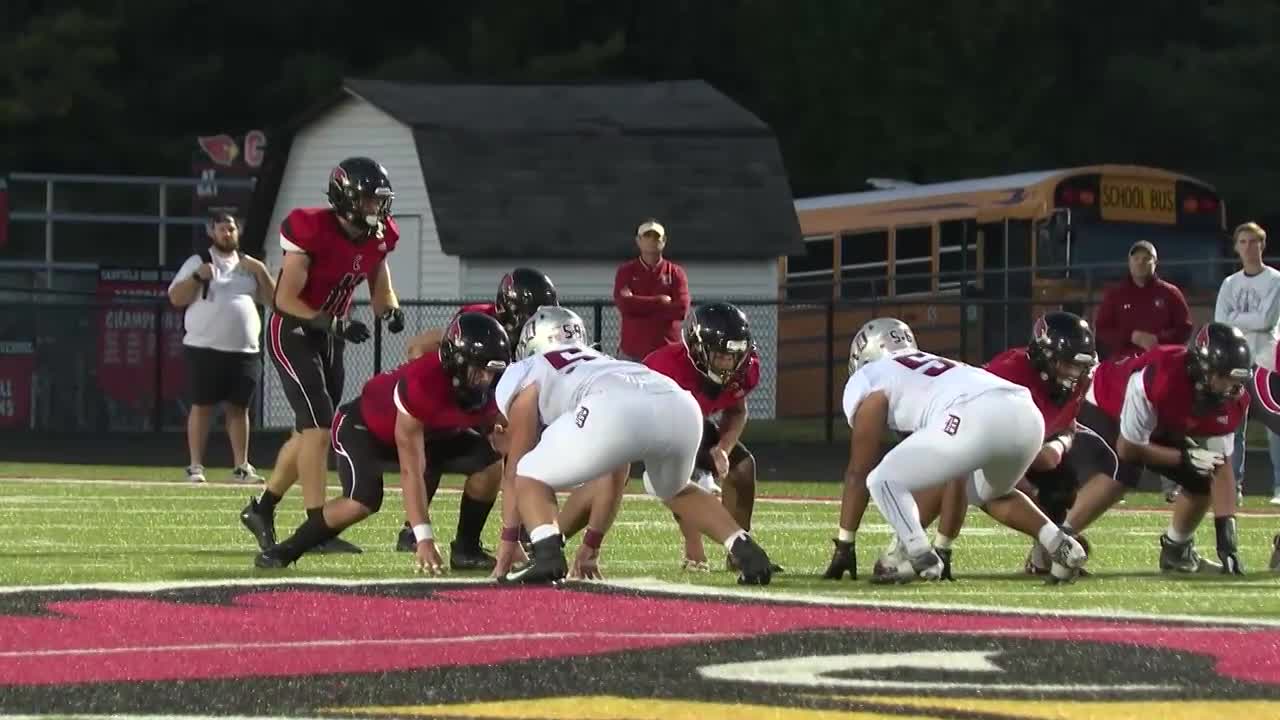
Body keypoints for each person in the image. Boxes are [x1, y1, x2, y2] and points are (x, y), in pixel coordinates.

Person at [492, 306, 775, 585]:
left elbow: (519, 457)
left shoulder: (525, 369)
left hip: (612, 408)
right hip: (681, 405)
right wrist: (592, 542)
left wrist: (509, 540)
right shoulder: (597, 359)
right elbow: (617, 469)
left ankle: (547, 555)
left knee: (528, 472)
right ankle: (746, 550)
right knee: (672, 488)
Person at [835, 318, 1087, 584]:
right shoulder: (934, 366)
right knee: (987, 493)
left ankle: (916, 555)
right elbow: (958, 477)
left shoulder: (870, 377)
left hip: (975, 413)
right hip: (1026, 415)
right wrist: (945, 543)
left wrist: (845, 543)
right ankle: (1061, 544)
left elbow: (858, 471)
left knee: (881, 479)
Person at [238, 157, 405, 556]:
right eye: (368, 201)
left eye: (379, 202)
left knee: (308, 431)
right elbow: (283, 299)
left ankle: (262, 508)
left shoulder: (378, 235)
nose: (375, 210)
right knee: (318, 430)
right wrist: (331, 323)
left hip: (330, 334)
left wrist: (390, 310)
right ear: (345, 199)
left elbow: (379, 281)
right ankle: (317, 526)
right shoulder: (310, 228)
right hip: (295, 328)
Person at [254, 313, 509, 569]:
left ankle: (467, 549)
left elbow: (512, 453)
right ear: (457, 361)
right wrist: (424, 538)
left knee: (489, 462)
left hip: (429, 433)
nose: (486, 380)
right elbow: (411, 471)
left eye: (493, 371)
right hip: (364, 429)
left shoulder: (493, 389)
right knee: (361, 502)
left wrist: (513, 537)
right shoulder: (423, 383)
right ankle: (285, 550)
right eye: (479, 370)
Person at [395, 267, 558, 567]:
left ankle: (476, 542)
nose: (537, 324)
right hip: (473, 398)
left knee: (507, 455)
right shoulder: (482, 324)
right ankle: (415, 528)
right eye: (531, 316)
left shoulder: (537, 336)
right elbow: (423, 348)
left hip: (498, 400)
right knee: (432, 447)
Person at [1061, 323, 1250, 574]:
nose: (1232, 388)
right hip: (1102, 403)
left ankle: (1176, 551)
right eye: (1226, 378)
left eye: (1237, 380)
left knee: (1205, 473)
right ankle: (1056, 543)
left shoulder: (1232, 400)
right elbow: (1129, 448)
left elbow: (1222, 465)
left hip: (1156, 425)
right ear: (1203, 369)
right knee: (1123, 471)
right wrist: (1183, 457)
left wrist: (1228, 545)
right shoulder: (1159, 377)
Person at [643, 302, 764, 571]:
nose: (728, 364)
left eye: (733, 355)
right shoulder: (665, 368)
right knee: (683, 477)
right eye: (720, 355)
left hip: (694, 419)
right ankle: (693, 550)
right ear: (697, 349)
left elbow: (736, 411)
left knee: (743, 468)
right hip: (654, 424)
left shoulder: (746, 369)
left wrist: (723, 447)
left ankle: (741, 553)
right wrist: (694, 544)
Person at [167, 212, 274, 483]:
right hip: (204, 349)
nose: (228, 233)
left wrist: (261, 271)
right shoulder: (198, 261)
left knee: (239, 408)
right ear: (211, 232)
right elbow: (176, 298)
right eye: (222, 228)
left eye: (232, 229)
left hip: (244, 351)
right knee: (202, 406)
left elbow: (275, 302)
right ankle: (195, 466)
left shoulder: (249, 265)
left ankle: (241, 466)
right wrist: (196, 278)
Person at [1215, 222, 1280, 504]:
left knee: (1274, 428)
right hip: (1236, 364)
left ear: (1262, 245)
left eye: (1254, 241)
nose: (1249, 247)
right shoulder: (1230, 284)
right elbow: (1220, 321)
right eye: (1243, 242)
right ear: (1236, 247)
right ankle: (1235, 486)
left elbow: (1267, 321)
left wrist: (1236, 319)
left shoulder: (1276, 280)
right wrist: (1246, 322)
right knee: (1232, 427)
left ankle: (1279, 486)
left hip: (1267, 364)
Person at [1094, 240, 1192, 362]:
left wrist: (1159, 339)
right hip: (1123, 365)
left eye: (1146, 259)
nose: (1140, 262)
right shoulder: (1115, 295)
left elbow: (1185, 329)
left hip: (1161, 363)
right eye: (1136, 258)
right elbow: (1102, 331)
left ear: (1155, 263)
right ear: (1129, 263)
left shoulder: (1170, 293)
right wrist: (1131, 336)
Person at [613, 219, 690, 361]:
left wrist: (637, 303)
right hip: (632, 354)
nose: (651, 241)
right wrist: (661, 301)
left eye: (656, 237)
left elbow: (681, 310)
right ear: (638, 241)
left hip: (667, 354)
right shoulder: (626, 271)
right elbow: (625, 305)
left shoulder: (675, 273)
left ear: (664, 241)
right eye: (647, 236)